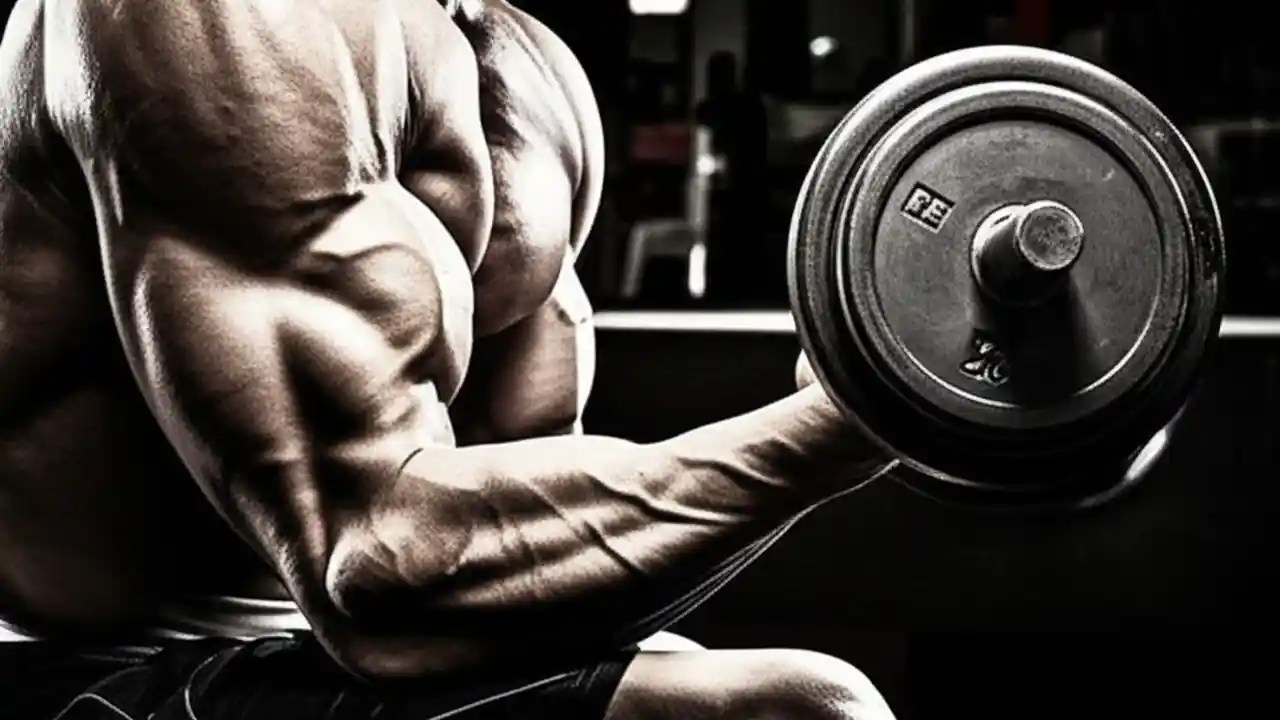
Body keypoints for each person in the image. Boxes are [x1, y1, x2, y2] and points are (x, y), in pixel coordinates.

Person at [0, 0, 897, 717]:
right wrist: (839, 425)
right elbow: (374, 577)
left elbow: (520, 580)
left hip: (325, 653)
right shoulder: (214, 22)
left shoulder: (521, 69)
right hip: (86, 675)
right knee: (797, 710)